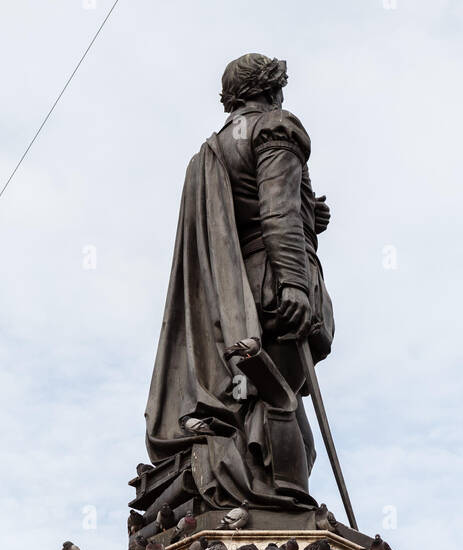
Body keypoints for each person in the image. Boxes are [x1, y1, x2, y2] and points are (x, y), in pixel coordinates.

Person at [141, 52, 335, 519]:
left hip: (236, 291)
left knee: (256, 400)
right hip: (273, 283)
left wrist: (311, 217)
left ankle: (257, 494)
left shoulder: (215, 147)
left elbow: (255, 209)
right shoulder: (275, 127)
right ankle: (284, 505)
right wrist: (294, 283)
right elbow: (277, 213)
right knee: (279, 399)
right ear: (271, 90)